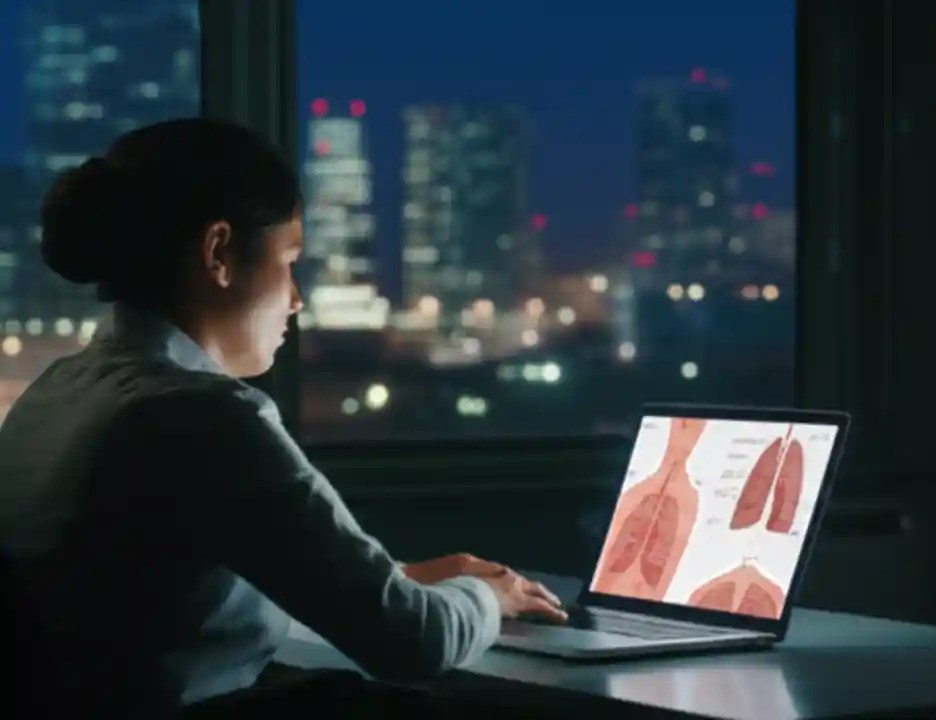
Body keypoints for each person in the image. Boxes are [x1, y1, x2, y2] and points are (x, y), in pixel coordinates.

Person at [0, 118, 567, 718]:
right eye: (289, 261)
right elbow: (411, 641)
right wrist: (488, 595)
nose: (296, 300)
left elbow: (164, 578)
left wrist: (400, 577)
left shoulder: (56, 391)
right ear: (219, 253)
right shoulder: (202, 416)